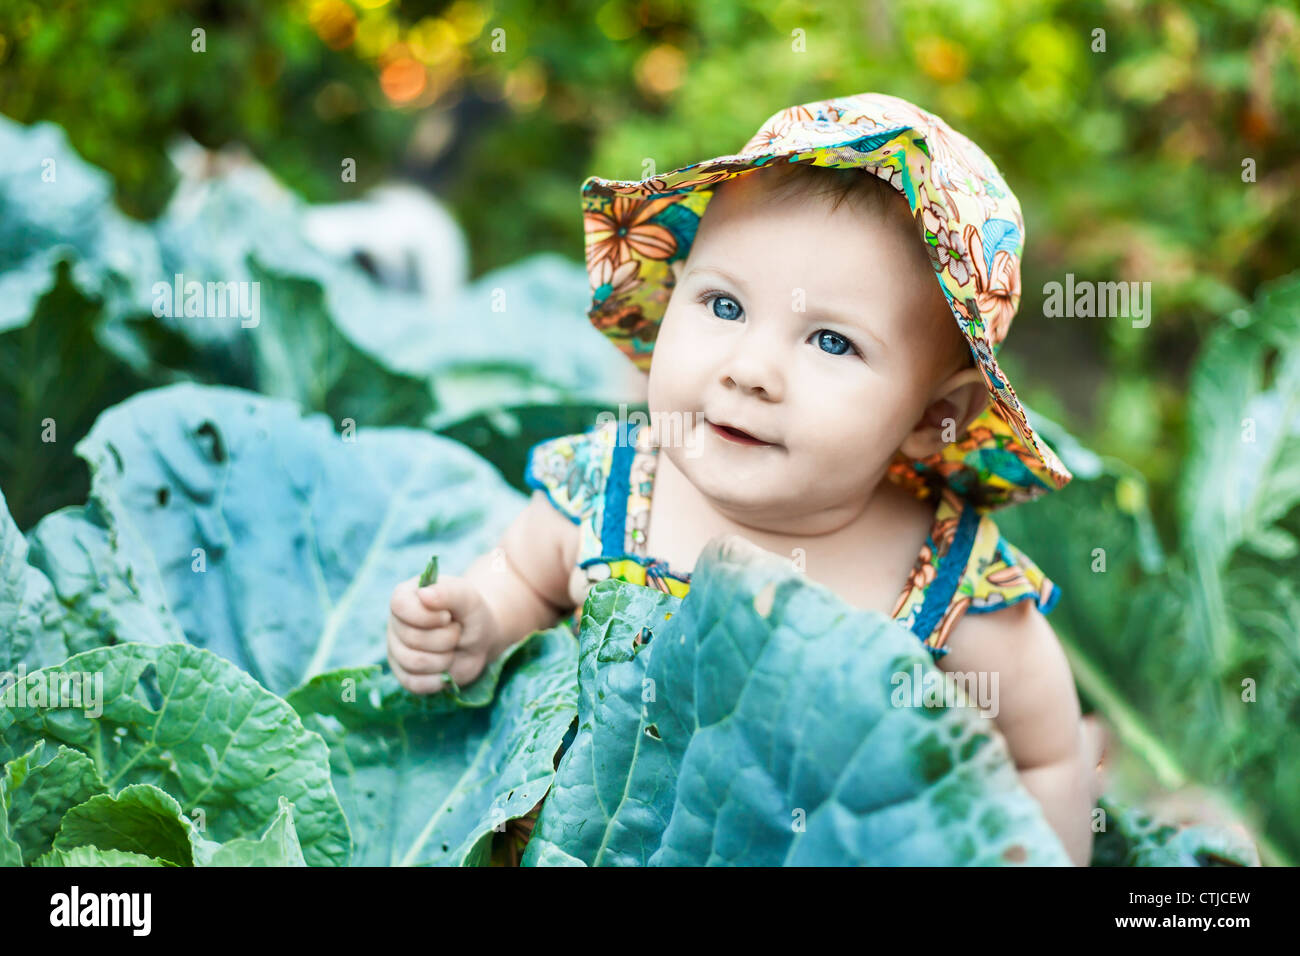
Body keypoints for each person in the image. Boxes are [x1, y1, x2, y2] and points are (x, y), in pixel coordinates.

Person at [387, 92, 1106, 866]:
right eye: (724, 304)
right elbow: (522, 576)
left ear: (937, 415)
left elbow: (1045, 755)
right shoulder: (611, 489)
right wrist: (476, 621)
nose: (751, 368)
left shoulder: (946, 582)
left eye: (831, 342)